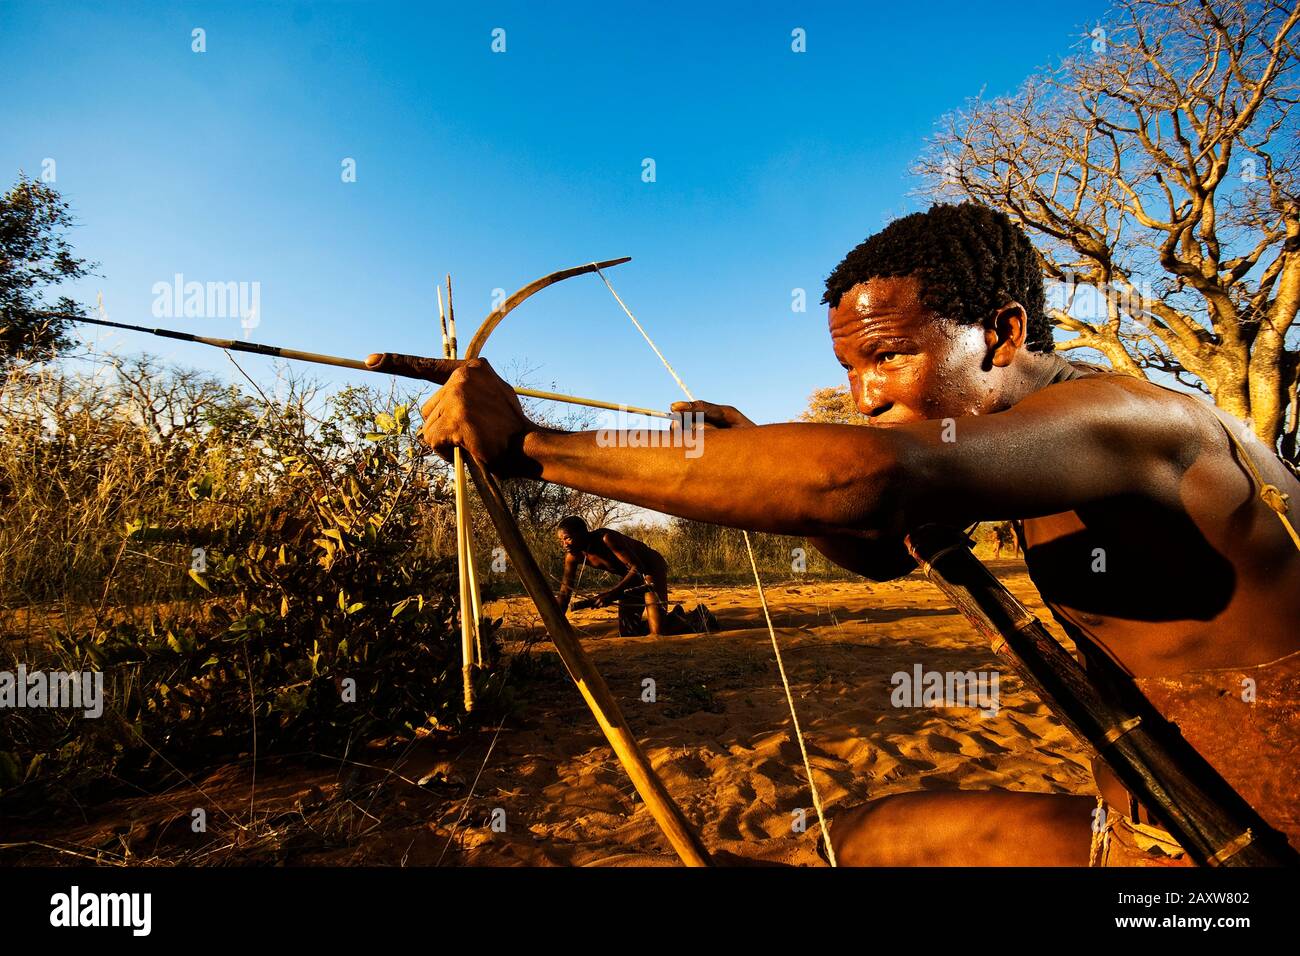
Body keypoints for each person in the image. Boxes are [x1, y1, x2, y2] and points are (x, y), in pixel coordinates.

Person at [372, 201, 1300, 865]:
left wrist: (534, 444)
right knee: (855, 842)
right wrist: (752, 463)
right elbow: (875, 543)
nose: (866, 396)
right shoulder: (1031, 448)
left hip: (1235, 855)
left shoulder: (1130, 422)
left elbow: (865, 484)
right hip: (1154, 824)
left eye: (891, 356)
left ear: (1002, 334)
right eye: (850, 369)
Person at [554, 516, 671, 636]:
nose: (564, 544)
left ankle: (683, 619)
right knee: (628, 632)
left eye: (568, 538)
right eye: (561, 540)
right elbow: (564, 594)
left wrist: (612, 594)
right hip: (630, 576)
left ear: (582, 533)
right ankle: (673, 618)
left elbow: (637, 569)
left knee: (658, 632)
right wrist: (553, 629)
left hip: (651, 569)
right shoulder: (572, 556)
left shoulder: (606, 538)